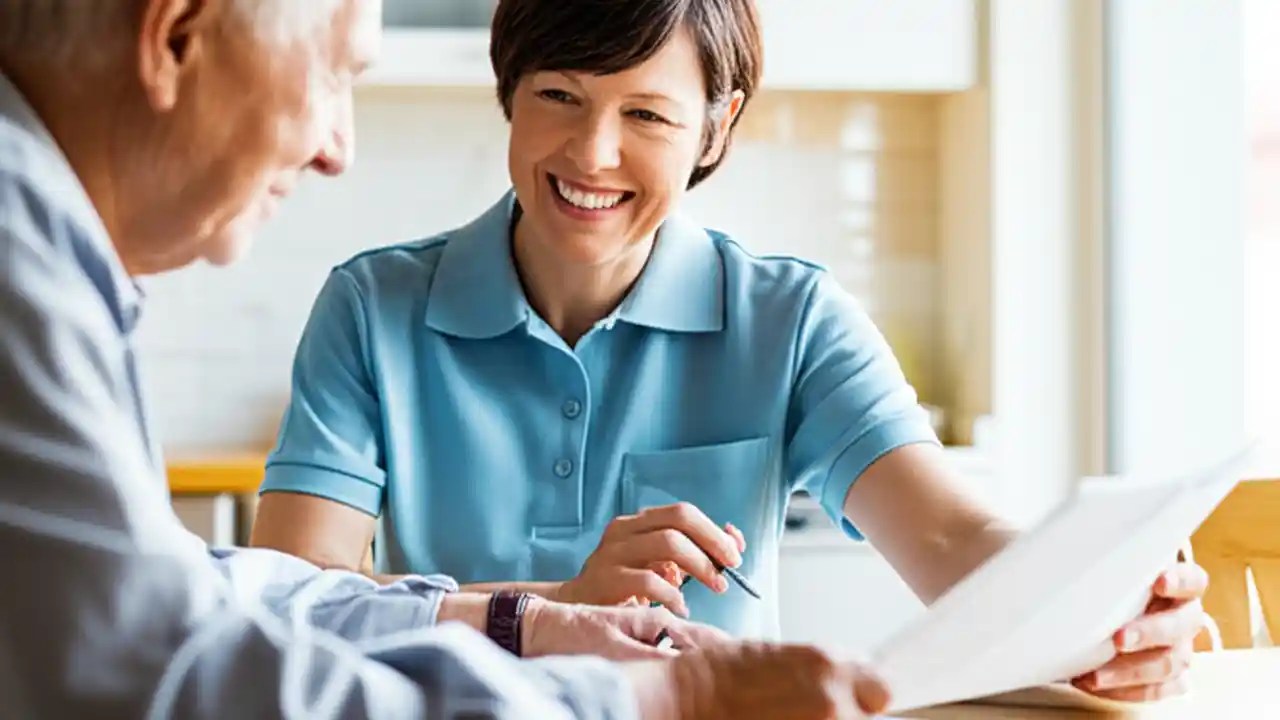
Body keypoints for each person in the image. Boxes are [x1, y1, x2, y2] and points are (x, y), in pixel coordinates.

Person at [251, 0, 1210, 704]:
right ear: (510, 92)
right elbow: (295, 596)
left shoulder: (788, 318)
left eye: (648, 115)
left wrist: (1105, 613)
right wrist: (558, 609)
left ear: (719, 123)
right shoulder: (372, 308)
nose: (592, 153)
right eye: (560, 95)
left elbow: (955, 540)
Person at [0, 0, 896, 717]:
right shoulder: (19, 256)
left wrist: (528, 622)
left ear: (713, 124)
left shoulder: (38, 236)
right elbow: (167, 676)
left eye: (648, 113)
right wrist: (664, 691)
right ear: (177, 34)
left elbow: (221, 597)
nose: (337, 149)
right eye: (335, 74)